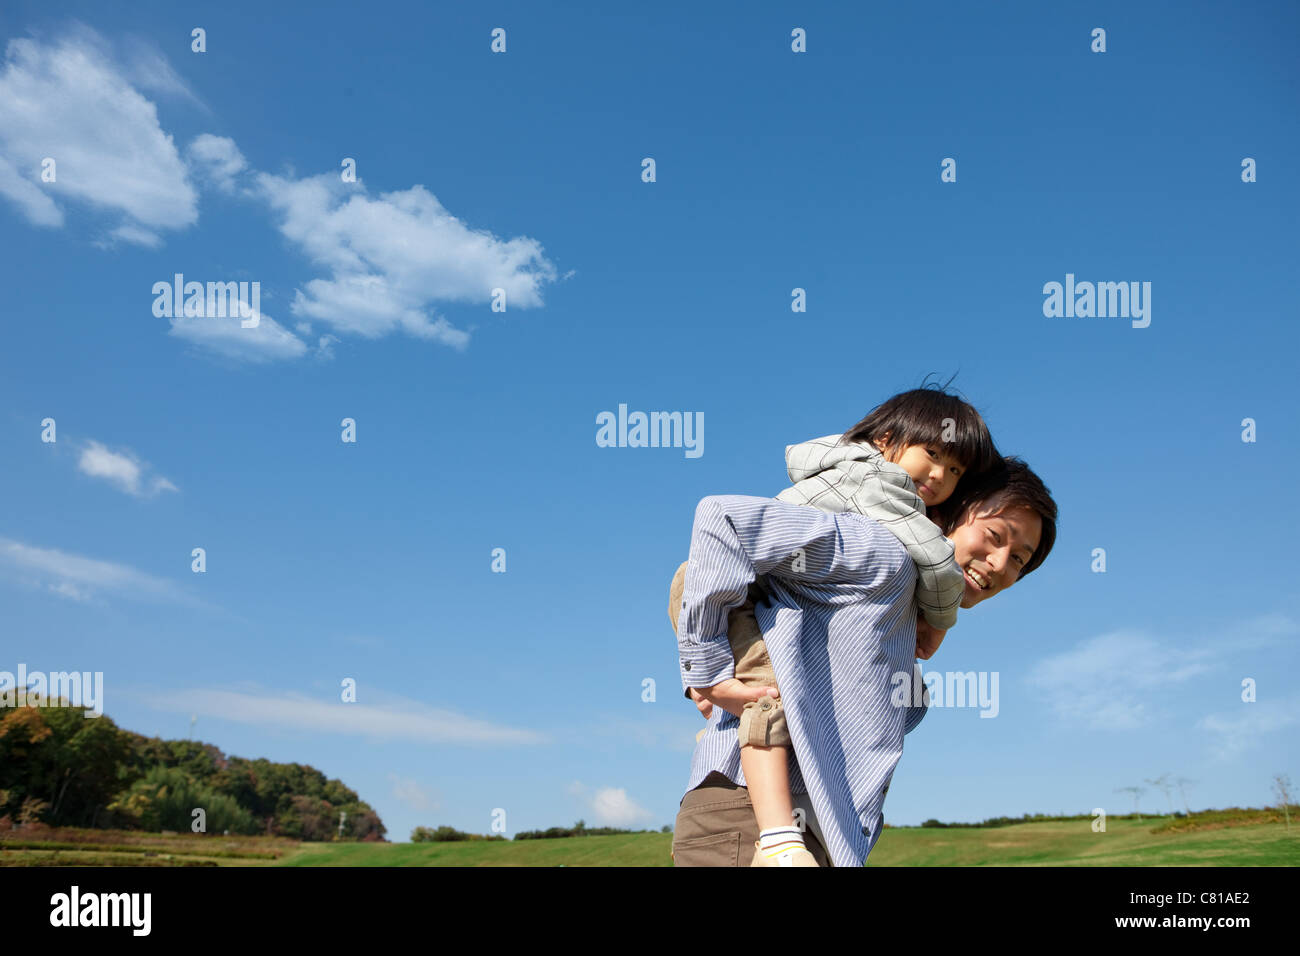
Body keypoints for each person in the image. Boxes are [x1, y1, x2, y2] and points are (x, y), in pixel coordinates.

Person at [666, 388, 1000, 865]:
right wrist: (708, 673)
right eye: (933, 455)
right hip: (752, 818)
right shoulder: (884, 519)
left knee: (759, 689)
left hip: (781, 813)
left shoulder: (850, 489)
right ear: (887, 439)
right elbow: (721, 517)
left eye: (955, 472)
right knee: (766, 695)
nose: (940, 476)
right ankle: (779, 832)